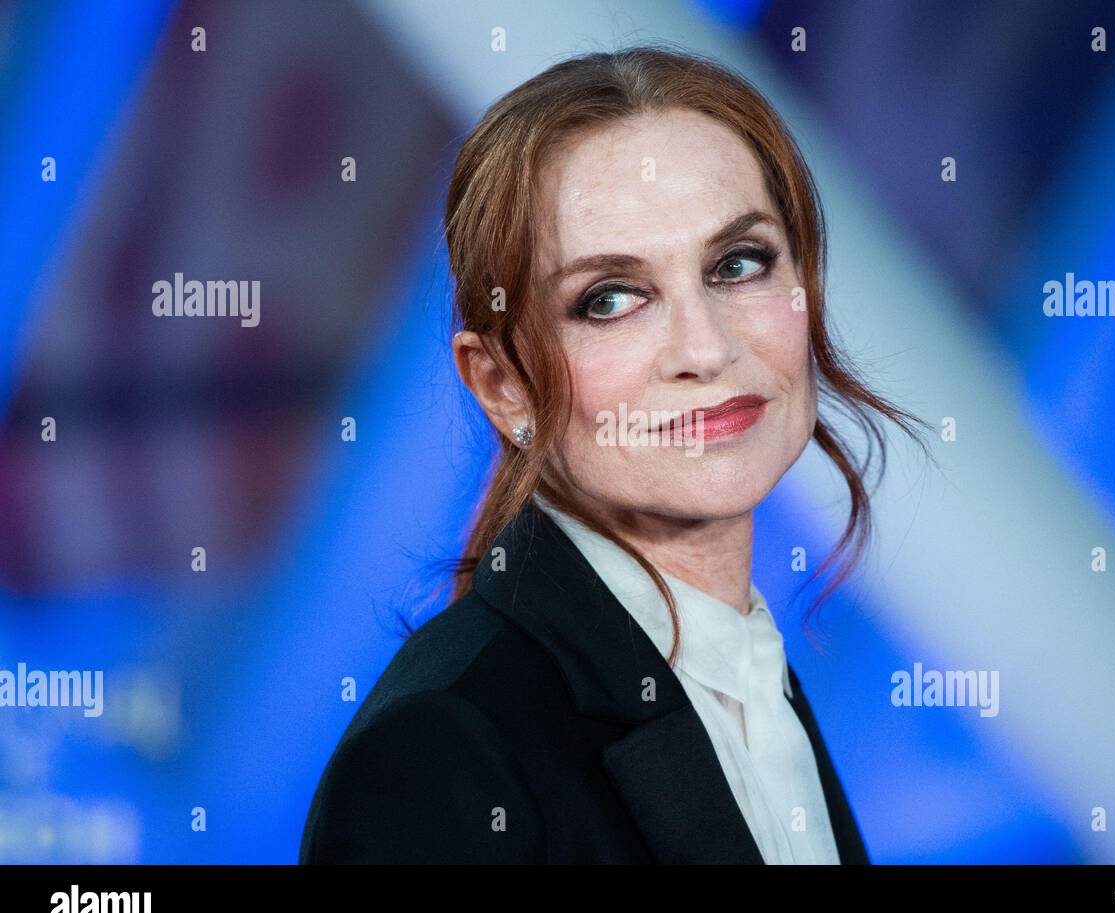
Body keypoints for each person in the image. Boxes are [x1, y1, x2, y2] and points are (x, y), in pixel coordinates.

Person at [300, 44, 922, 864]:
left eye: (739, 264)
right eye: (611, 300)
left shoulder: (741, 667)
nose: (704, 347)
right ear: (502, 385)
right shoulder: (440, 752)